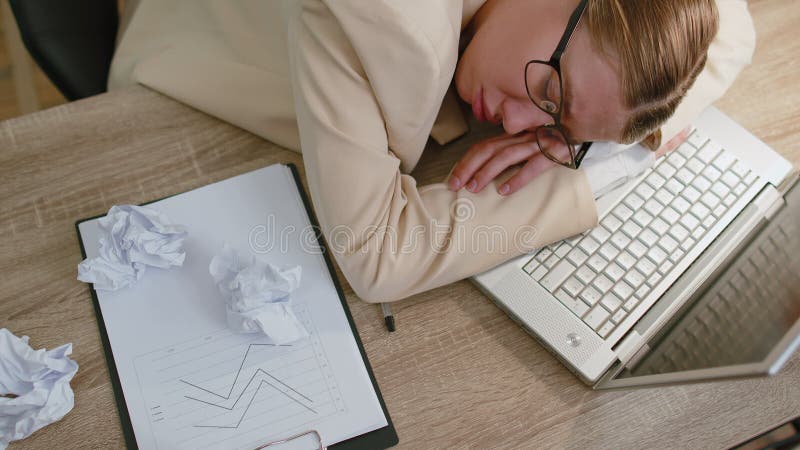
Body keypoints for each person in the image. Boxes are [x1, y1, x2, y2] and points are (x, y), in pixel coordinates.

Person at [108, 0, 755, 303]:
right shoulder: (380, 14)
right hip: (194, 78)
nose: (521, 126)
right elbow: (375, 254)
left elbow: (735, 27)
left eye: (557, 127)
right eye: (549, 91)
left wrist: (595, 141)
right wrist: (587, 181)